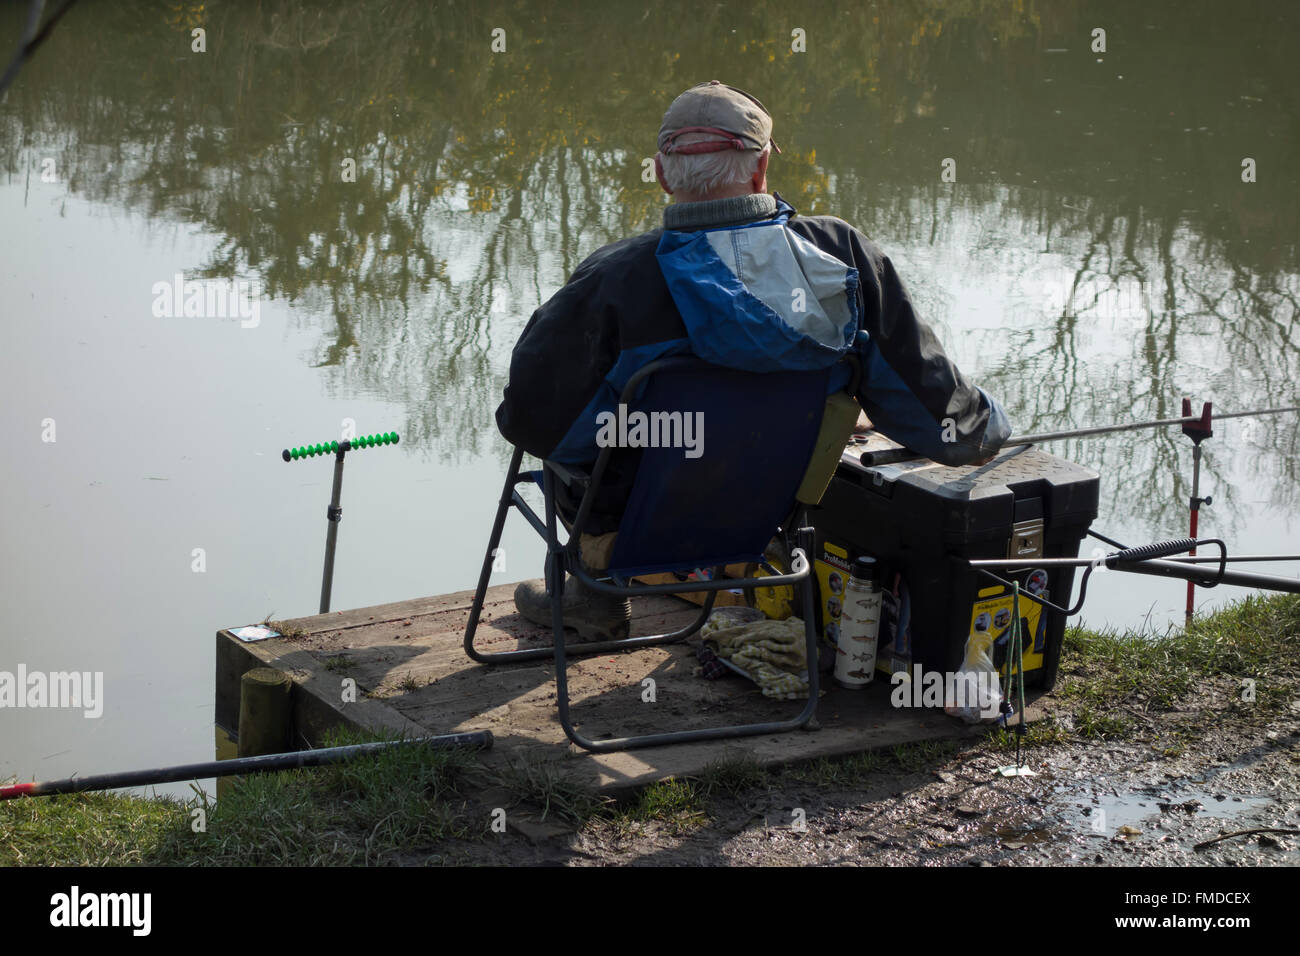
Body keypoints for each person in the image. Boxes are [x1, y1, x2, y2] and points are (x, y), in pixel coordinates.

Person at [496, 81, 1011, 640]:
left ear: (663, 174)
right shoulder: (842, 257)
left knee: (568, 450)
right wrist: (991, 429)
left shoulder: (613, 279)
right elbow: (945, 421)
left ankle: (595, 594)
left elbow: (531, 422)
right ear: (762, 168)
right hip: (771, 520)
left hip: (631, 521)